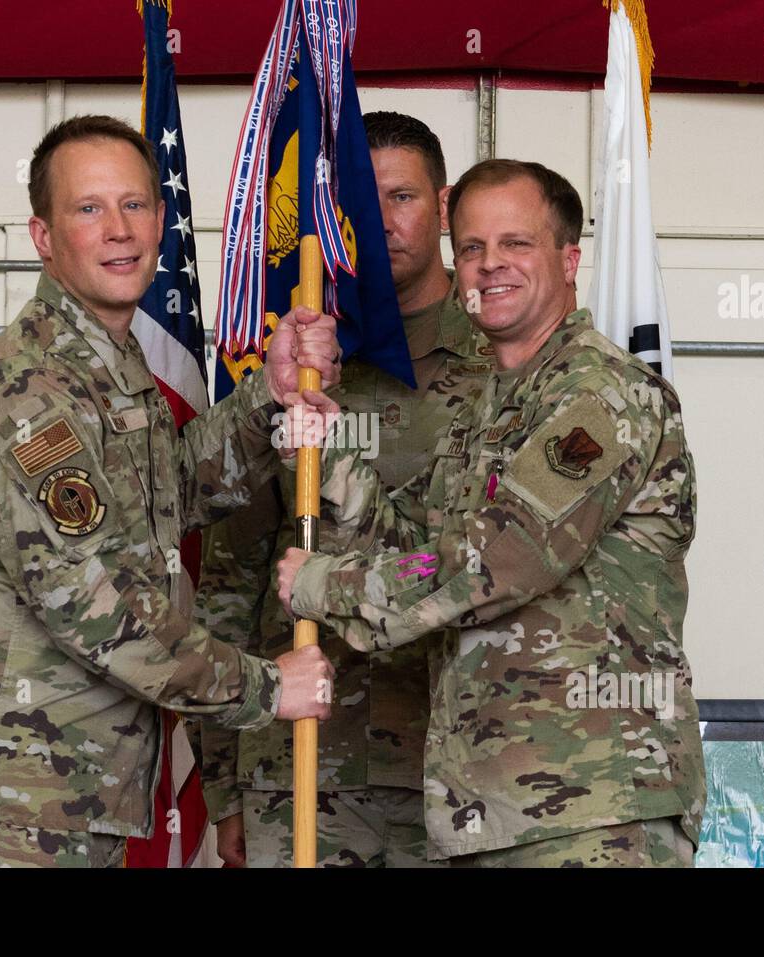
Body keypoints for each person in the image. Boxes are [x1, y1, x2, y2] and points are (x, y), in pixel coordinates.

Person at [0, 115, 339, 868]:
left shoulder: (109, 363)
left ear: (162, 221)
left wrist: (271, 394)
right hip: (5, 798)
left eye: (134, 205)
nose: (118, 230)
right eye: (88, 209)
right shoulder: (30, 390)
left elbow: (173, 498)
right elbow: (99, 605)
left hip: (67, 791)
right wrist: (267, 688)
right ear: (43, 235)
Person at [276, 158, 706, 867]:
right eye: (471, 248)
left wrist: (327, 585)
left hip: (594, 809)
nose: (489, 265)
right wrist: (322, 455)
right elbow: (416, 546)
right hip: (494, 811)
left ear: (569, 259)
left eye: (516, 244)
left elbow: (493, 560)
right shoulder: (488, 411)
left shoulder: (599, 396)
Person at [197, 112, 492, 867]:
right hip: (299, 766)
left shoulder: (502, 370)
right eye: (365, 203)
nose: (384, 222)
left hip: (454, 770)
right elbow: (230, 577)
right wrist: (225, 786)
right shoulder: (301, 367)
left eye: (403, 198)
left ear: (446, 204)